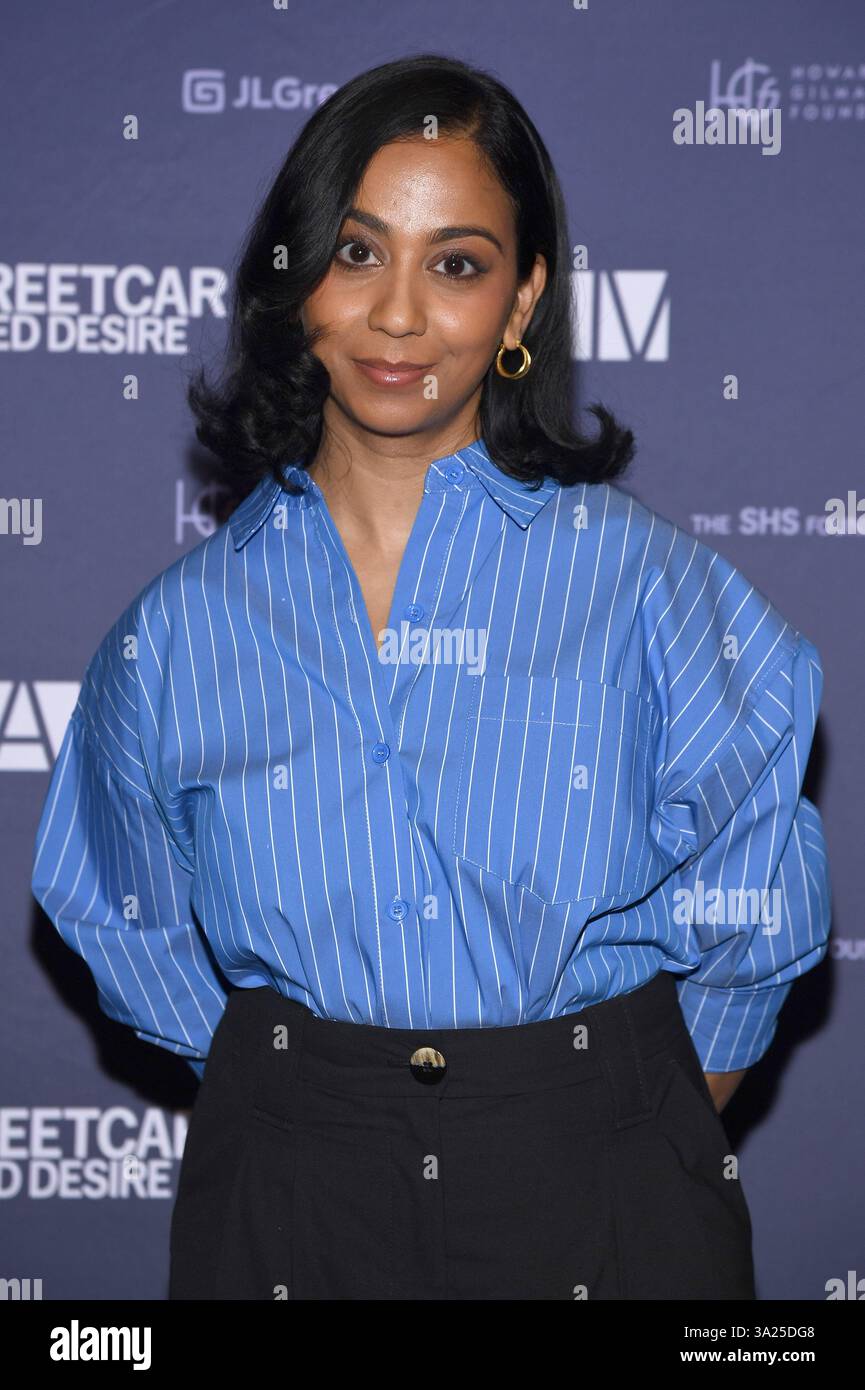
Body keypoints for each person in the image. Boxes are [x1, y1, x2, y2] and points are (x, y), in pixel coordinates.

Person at [30, 52, 831, 1301]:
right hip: (291, 1199)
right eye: (357, 253)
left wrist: (614, 1109)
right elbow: (117, 915)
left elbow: (757, 893)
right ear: (298, 279)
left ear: (520, 306)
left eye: (456, 263)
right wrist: (306, 1089)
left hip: (604, 1190)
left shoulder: (645, 589)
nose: (398, 316)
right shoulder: (176, 634)